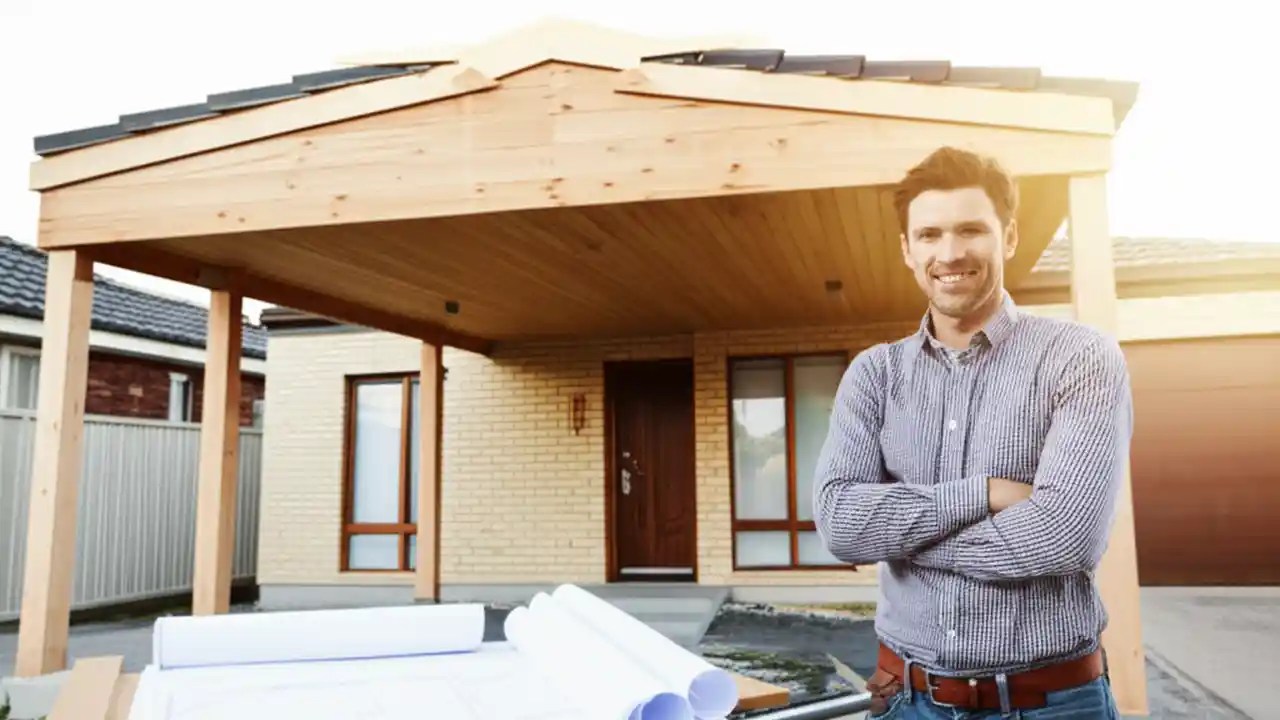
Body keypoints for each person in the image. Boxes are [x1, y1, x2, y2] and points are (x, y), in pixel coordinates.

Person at [812, 146, 1132, 718]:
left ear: (1007, 237)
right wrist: (982, 494)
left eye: (971, 230)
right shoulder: (875, 374)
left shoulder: (1078, 358)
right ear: (908, 249)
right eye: (930, 234)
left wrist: (902, 541)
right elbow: (840, 522)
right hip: (906, 700)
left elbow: (1066, 536)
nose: (951, 253)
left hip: (1050, 702)